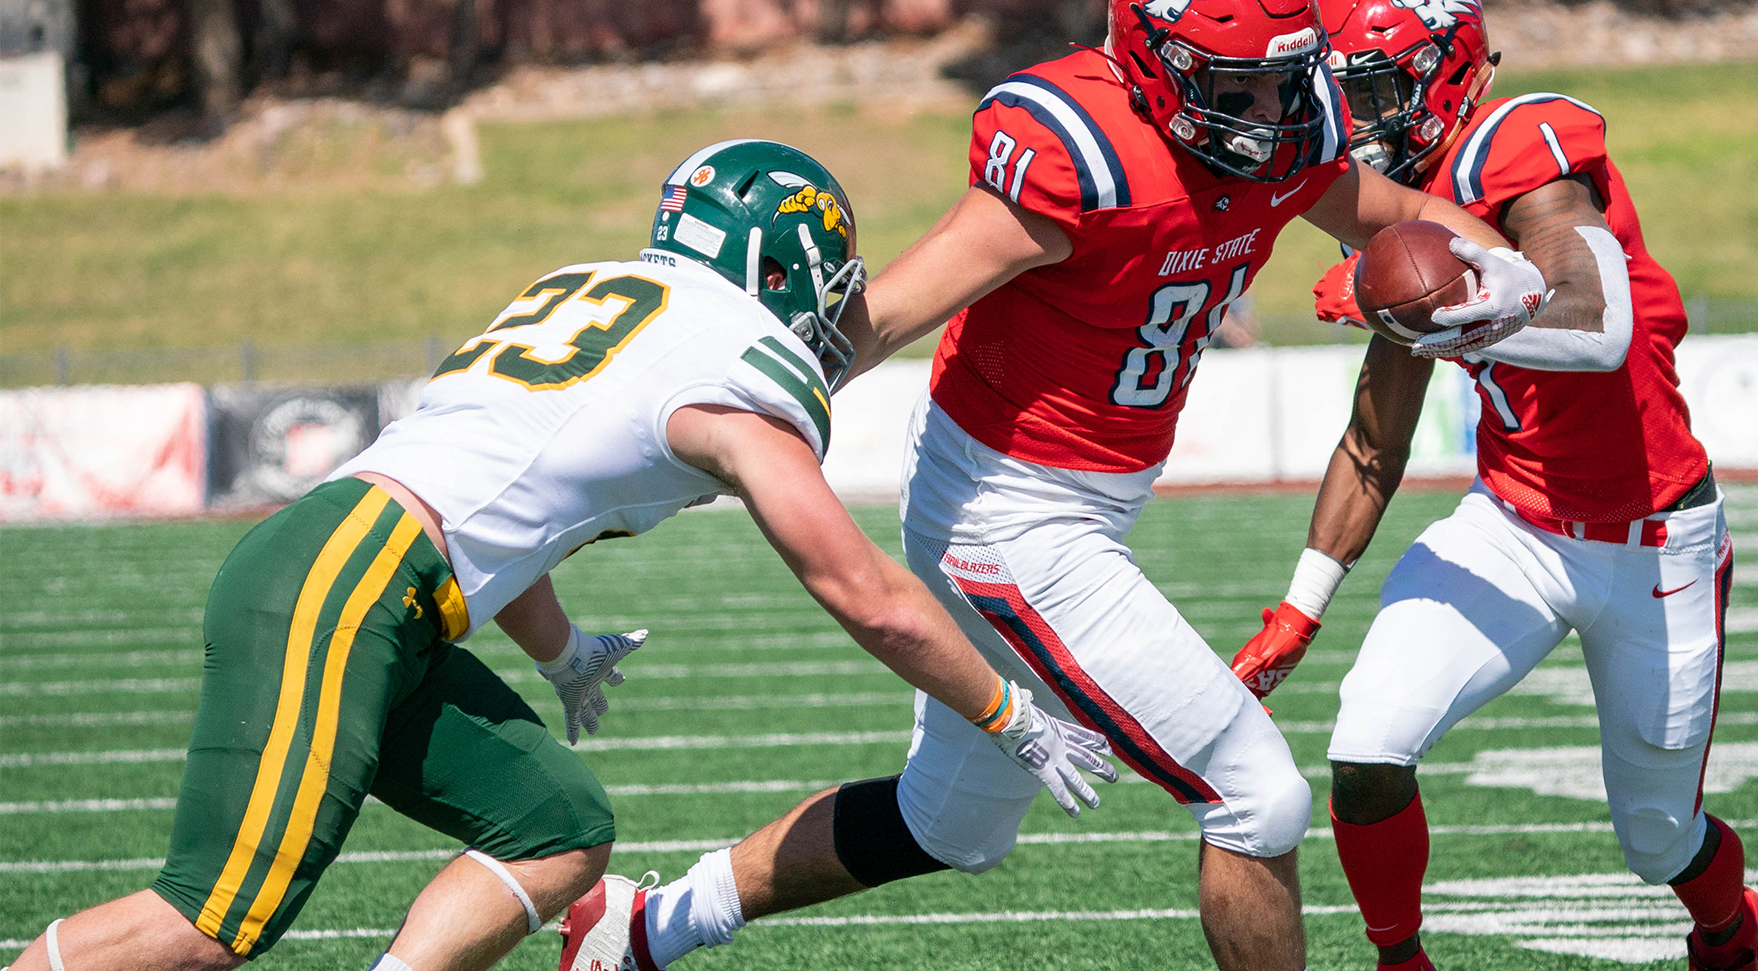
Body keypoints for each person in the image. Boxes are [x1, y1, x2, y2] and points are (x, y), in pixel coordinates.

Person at [569, 0, 1549, 971]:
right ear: (1158, 66)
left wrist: (1506, 278)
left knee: (949, 824)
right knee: (1257, 796)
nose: (1271, 112)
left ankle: (642, 929)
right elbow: (884, 318)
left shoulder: (1285, 138)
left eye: (1282, 80)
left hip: (1084, 502)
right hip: (1007, 512)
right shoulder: (1080, 158)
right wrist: (715, 427)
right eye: (1238, 87)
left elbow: (1403, 214)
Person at [6, 140, 1112, 971]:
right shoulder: (736, 365)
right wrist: (1006, 712)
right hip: (349, 586)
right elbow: (863, 593)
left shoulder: (594, 293)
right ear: (781, 270)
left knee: (558, 830)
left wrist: (564, 651)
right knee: (208, 923)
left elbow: (498, 506)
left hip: (363, 569)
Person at [1227, 0, 1758, 971]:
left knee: (1657, 838)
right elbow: (1374, 442)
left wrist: (1429, 318)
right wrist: (1300, 609)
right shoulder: (1404, 211)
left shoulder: (1523, 148)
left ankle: (1731, 927)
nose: (1359, 118)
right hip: (1514, 523)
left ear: (1446, 72)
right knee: (1367, 745)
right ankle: (1401, 960)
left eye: (1375, 91)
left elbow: (1594, 327)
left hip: (1655, 539)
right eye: (1344, 94)